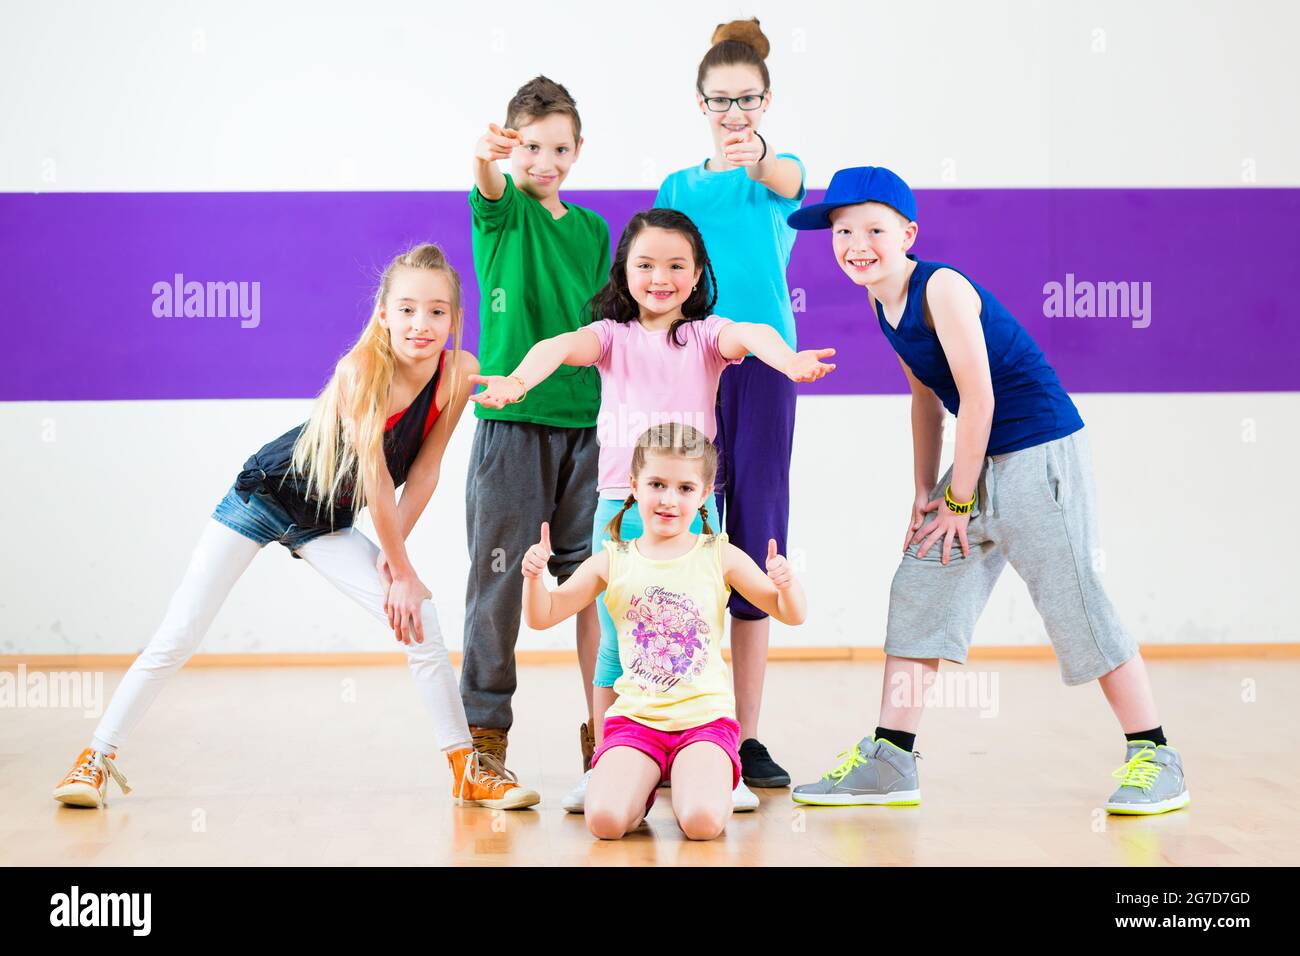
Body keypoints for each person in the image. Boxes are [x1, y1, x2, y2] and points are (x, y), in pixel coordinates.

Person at [52, 243, 538, 812]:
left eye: (437, 310)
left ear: (456, 317)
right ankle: (96, 758)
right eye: (406, 308)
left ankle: (464, 770)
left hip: (325, 521)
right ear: (383, 314)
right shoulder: (361, 371)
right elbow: (378, 481)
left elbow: (425, 470)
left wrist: (392, 558)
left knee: (421, 619)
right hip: (264, 495)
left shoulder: (460, 371)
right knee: (180, 632)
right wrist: (400, 568)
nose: (421, 323)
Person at [786, 166, 1189, 815]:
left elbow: (978, 398)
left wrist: (958, 500)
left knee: (1075, 601)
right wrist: (926, 491)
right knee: (921, 577)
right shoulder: (879, 298)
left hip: (1039, 450)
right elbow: (925, 397)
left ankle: (1156, 755)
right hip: (981, 458)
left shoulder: (940, 287)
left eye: (873, 229)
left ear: (907, 233)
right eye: (842, 230)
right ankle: (891, 759)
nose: (856, 243)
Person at [469, 208, 835, 811]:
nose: (659, 277)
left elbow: (755, 334)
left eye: (675, 266)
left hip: (696, 517)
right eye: (645, 264)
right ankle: (606, 759)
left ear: (695, 276)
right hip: (621, 509)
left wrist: (787, 362)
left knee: (695, 638)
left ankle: (722, 762)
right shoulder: (612, 338)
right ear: (625, 271)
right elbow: (558, 346)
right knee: (615, 645)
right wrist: (520, 381)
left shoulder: (706, 336)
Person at [520, 423, 808, 840]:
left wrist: (786, 583)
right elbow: (542, 616)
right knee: (603, 822)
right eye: (657, 484)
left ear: (705, 493)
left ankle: (702, 779)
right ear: (634, 485)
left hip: (704, 722)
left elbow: (790, 613)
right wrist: (533, 578)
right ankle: (639, 786)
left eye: (685, 489)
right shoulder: (612, 559)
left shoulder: (719, 554)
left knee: (702, 824)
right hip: (636, 721)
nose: (669, 500)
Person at [653, 17, 807, 788]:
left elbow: (790, 182)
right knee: (686, 537)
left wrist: (766, 159)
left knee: (756, 541)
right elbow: (660, 276)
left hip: (766, 372)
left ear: (767, 100)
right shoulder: (677, 189)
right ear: (700, 103)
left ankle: (746, 737)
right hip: (691, 368)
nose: (735, 114)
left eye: (748, 100)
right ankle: (683, 723)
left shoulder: (779, 175)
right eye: (721, 102)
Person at [463, 76, 611, 784]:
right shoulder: (502, 212)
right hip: (511, 428)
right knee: (498, 583)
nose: (543, 160)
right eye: (529, 147)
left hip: (588, 428)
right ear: (512, 146)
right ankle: (486, 741)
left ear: (578, 151)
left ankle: (609, 736)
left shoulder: (591, 229)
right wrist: (485, 157)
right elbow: (487, 182)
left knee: (596, 584)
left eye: (558, 147)